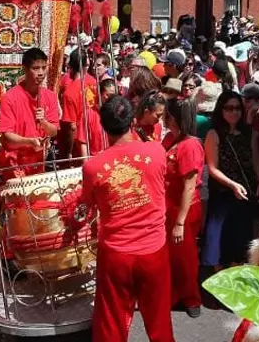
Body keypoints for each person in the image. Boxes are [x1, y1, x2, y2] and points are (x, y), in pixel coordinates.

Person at [80, 96, 174, 342]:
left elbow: (88, 204)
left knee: (111, 322)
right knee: (159, 321)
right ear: (133, 120)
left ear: (103, 125)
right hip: (153, 250)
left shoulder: (93, 166)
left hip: (116, 254)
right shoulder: (156, 151)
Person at [202, 91, 259, 269]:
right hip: (223, 193)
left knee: (240, 240)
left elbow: (255, 159)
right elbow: (212, 167)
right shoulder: (214, 134)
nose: (234, 112)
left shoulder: (248, 132)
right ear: (221, 110)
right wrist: (232, 185)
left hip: (244, 193)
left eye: (237, 108)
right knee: (219, 243)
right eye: (229, 108)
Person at [162, 98, 204, 317]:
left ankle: (191, 299)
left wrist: (179, 221)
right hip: (169, 208)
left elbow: (189, 186)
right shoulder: (171, 139)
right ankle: (174, 294)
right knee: (172, 256)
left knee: (185, 258)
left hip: (183, 211)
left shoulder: (190, 146)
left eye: (166, 115)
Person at [0, 48, 60, 179]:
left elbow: (53, 131)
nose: (41, 73)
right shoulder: (10, 98)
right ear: (25, 69)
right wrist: (29, 142)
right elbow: (7, 136)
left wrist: (44, 122)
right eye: (35, 68)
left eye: (43, 68)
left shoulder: (50, 96)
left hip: (38, 162)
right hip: (15, 162)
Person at [59, 50, 99, 158]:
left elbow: (72, 127)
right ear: (86, 64)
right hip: (97, 135)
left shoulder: (69, 93)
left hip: (80, 142)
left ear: (70, 66)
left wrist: (69, 152)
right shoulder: (94, 82)